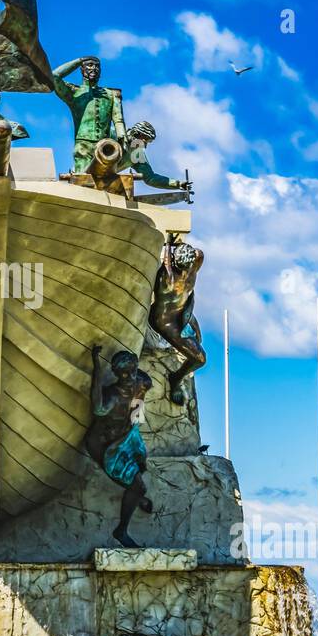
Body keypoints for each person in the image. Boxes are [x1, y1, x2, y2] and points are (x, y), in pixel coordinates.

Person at [83, 346, 154, 548]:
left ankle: (135, 496)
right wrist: (97, 365)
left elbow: (140, 400)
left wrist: (135, 428)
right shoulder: (111, 397)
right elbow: (97, 407)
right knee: (138, 485)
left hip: (127, 436)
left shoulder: (142, 383)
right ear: (116, 374)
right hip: (105, 446)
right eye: (125, 373)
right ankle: (121, 531)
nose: (131, 376)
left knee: (141, 465)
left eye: (133, 370)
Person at [150, 233, 206, 406]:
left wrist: (172, 245)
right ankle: (175, 380)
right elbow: (168, 262)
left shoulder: (190, 271)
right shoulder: (168, 280)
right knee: (200, 358)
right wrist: (169, 245)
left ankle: (177, 377)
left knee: (199, 356)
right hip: (165, 323)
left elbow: (198, 254)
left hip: (183, 315)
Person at [52, 55, 126, 173]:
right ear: (82, 69)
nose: (94, 68)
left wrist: (122, 136)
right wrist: (79, 61)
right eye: (90, 65)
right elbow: (54, 76)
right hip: (83, 146)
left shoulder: (111, 94)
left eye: (97, 66)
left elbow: (118, 119)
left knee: (105, 184)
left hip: (105, 146)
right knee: (83, 182)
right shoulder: (74, 93)